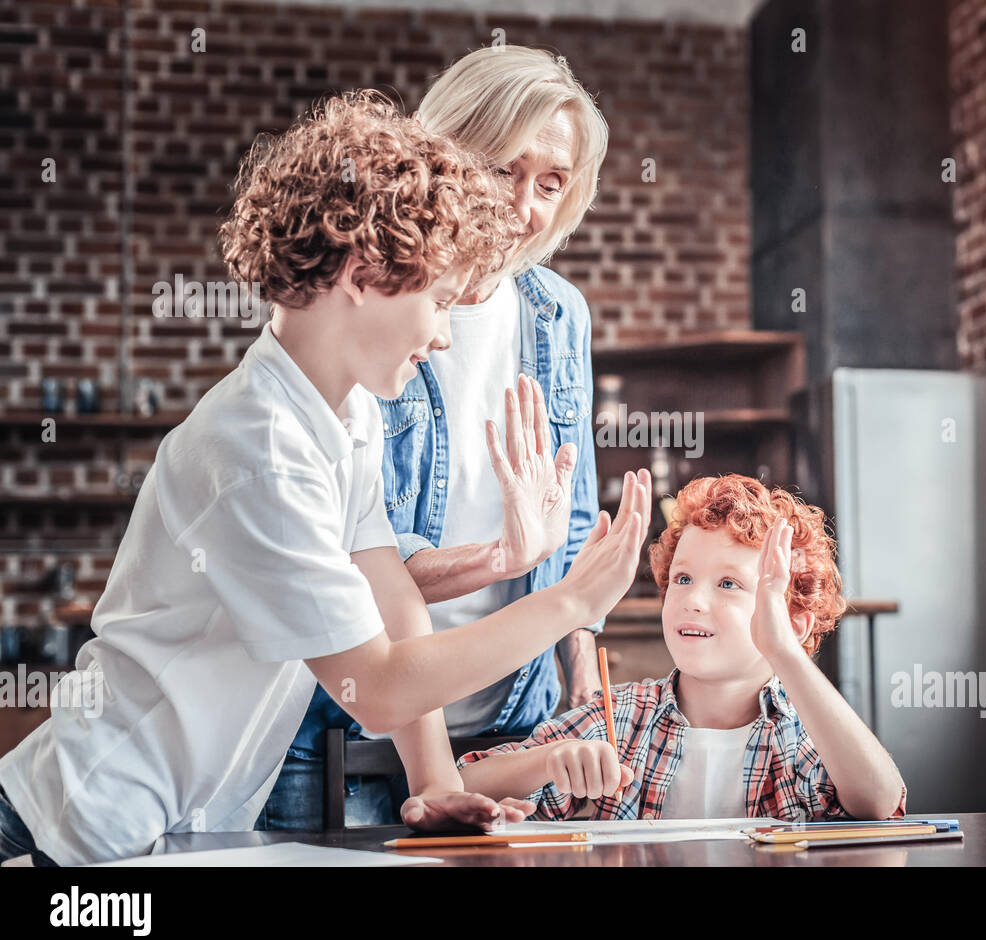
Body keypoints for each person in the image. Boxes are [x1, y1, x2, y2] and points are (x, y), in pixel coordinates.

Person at [0, 91, 650, 866]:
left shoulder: (344, 415)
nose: (444, 336)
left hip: (174, 827)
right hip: (78, 832)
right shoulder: (261, 446)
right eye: (439, 301)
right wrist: (569, 600)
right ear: (363, 269)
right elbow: (372, 685)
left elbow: (391, 595)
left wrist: (436, 777)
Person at [264, 45, 614, 828]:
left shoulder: (559, 315)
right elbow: (357, 560)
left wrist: (584, 688)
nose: (525, 207)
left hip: (513, 719)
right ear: (442, 154)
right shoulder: (368, 304)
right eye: (500, 170)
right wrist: (500, 559)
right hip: (343, 718)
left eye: (551, 184)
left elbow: (573, 524)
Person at [457, 474, 908, 821]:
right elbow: (460, 785)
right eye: (683, 578)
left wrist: (783, 651)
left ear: (794, 622)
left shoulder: (801, 731)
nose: (693, 599)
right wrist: (549, 760)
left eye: (729, 583)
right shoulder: (622, 717)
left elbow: (880, 802)